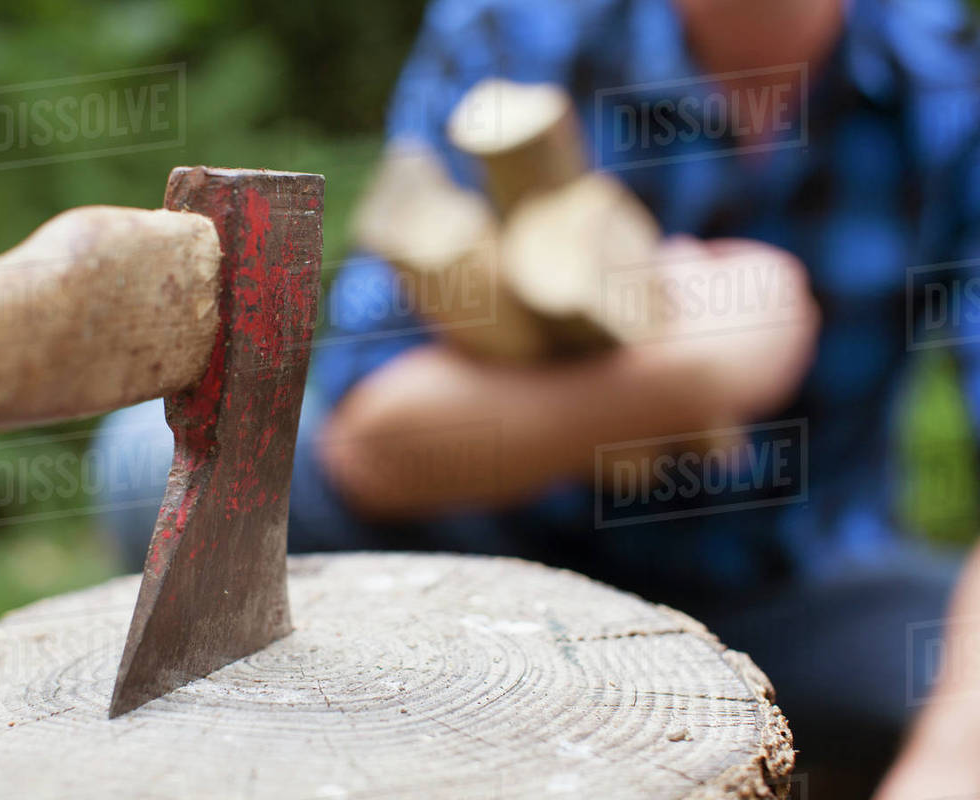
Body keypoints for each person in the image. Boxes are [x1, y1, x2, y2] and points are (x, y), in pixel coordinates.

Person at [96, 0, 980, 796]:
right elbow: (368, 441)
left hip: (795, 599)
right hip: (495, 570)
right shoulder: (515, 27)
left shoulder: (948, 77)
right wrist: (687, 378)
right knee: (149, 465)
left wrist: (946, 767)